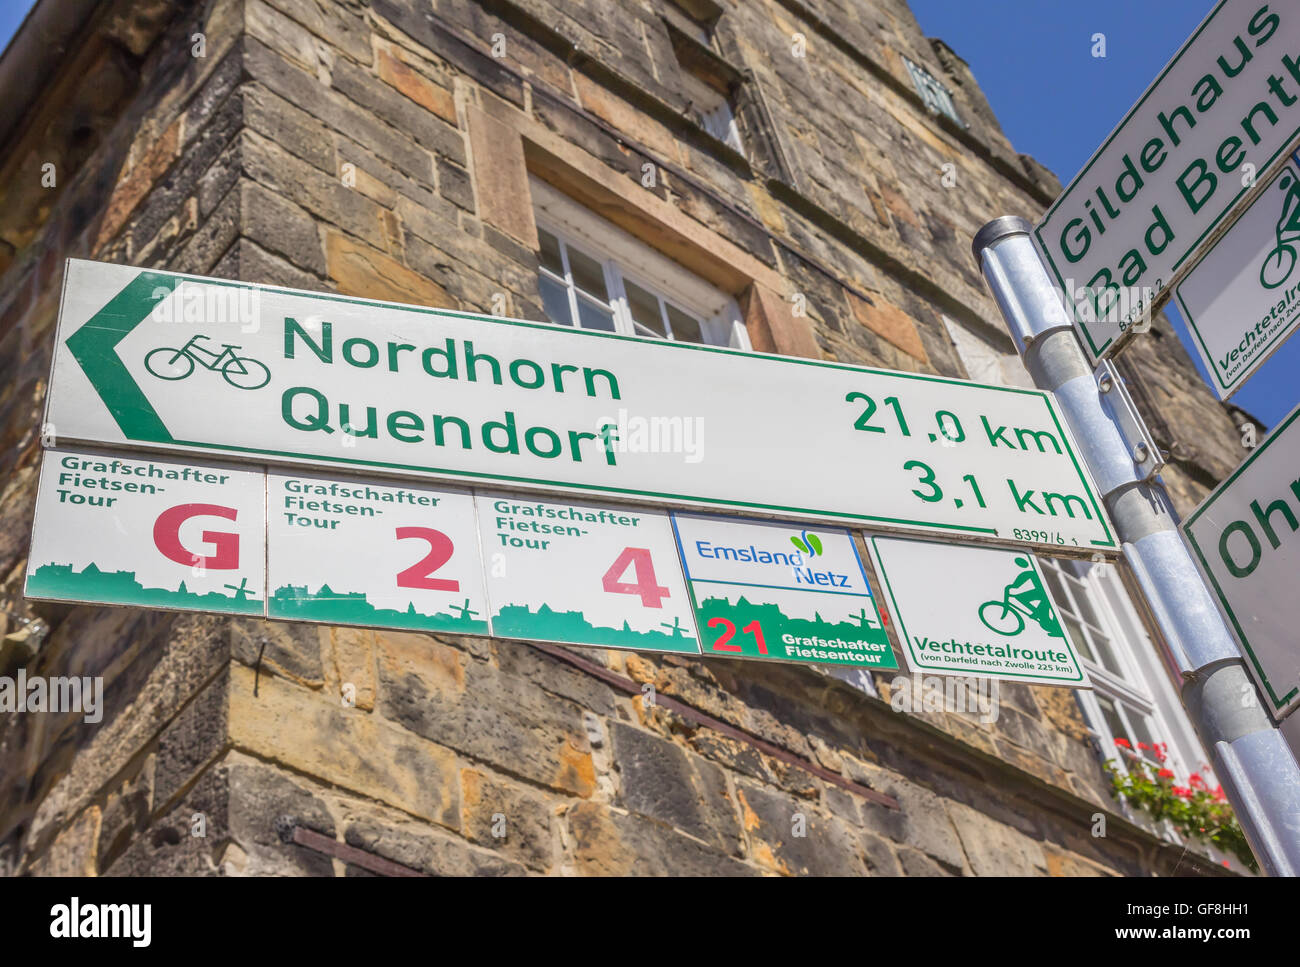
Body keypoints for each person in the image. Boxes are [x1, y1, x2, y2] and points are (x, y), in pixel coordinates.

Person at [1003, 557, 1064, 638]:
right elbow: (1020, 581)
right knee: (1021, 598)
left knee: (1023, 598)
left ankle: (1038, 614)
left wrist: (1012, 586)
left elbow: (1020, 581)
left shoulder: (1031, 572)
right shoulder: (1028, 573)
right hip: (1039, 592)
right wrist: (1013, 586)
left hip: (1041, 593)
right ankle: (1037, 613)